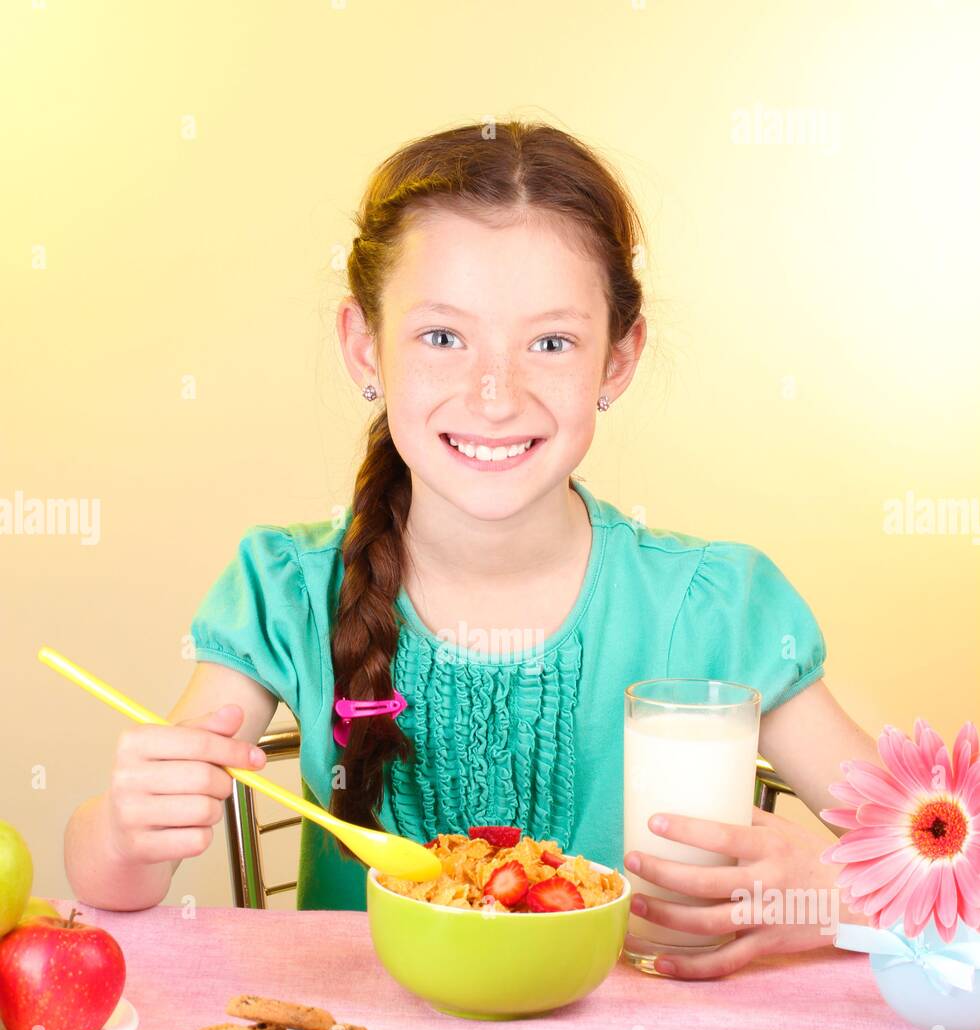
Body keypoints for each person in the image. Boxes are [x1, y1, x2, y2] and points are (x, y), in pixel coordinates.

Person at [64, 119, 878, 978]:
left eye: (552, 343)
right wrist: (126, 827)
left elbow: (946, 864)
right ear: (363, 345)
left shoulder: (718, 604)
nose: (495, 396)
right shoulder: (288, 587)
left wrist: (835, 896)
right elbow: (110, 886)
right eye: (443, 337)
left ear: (618, 359)